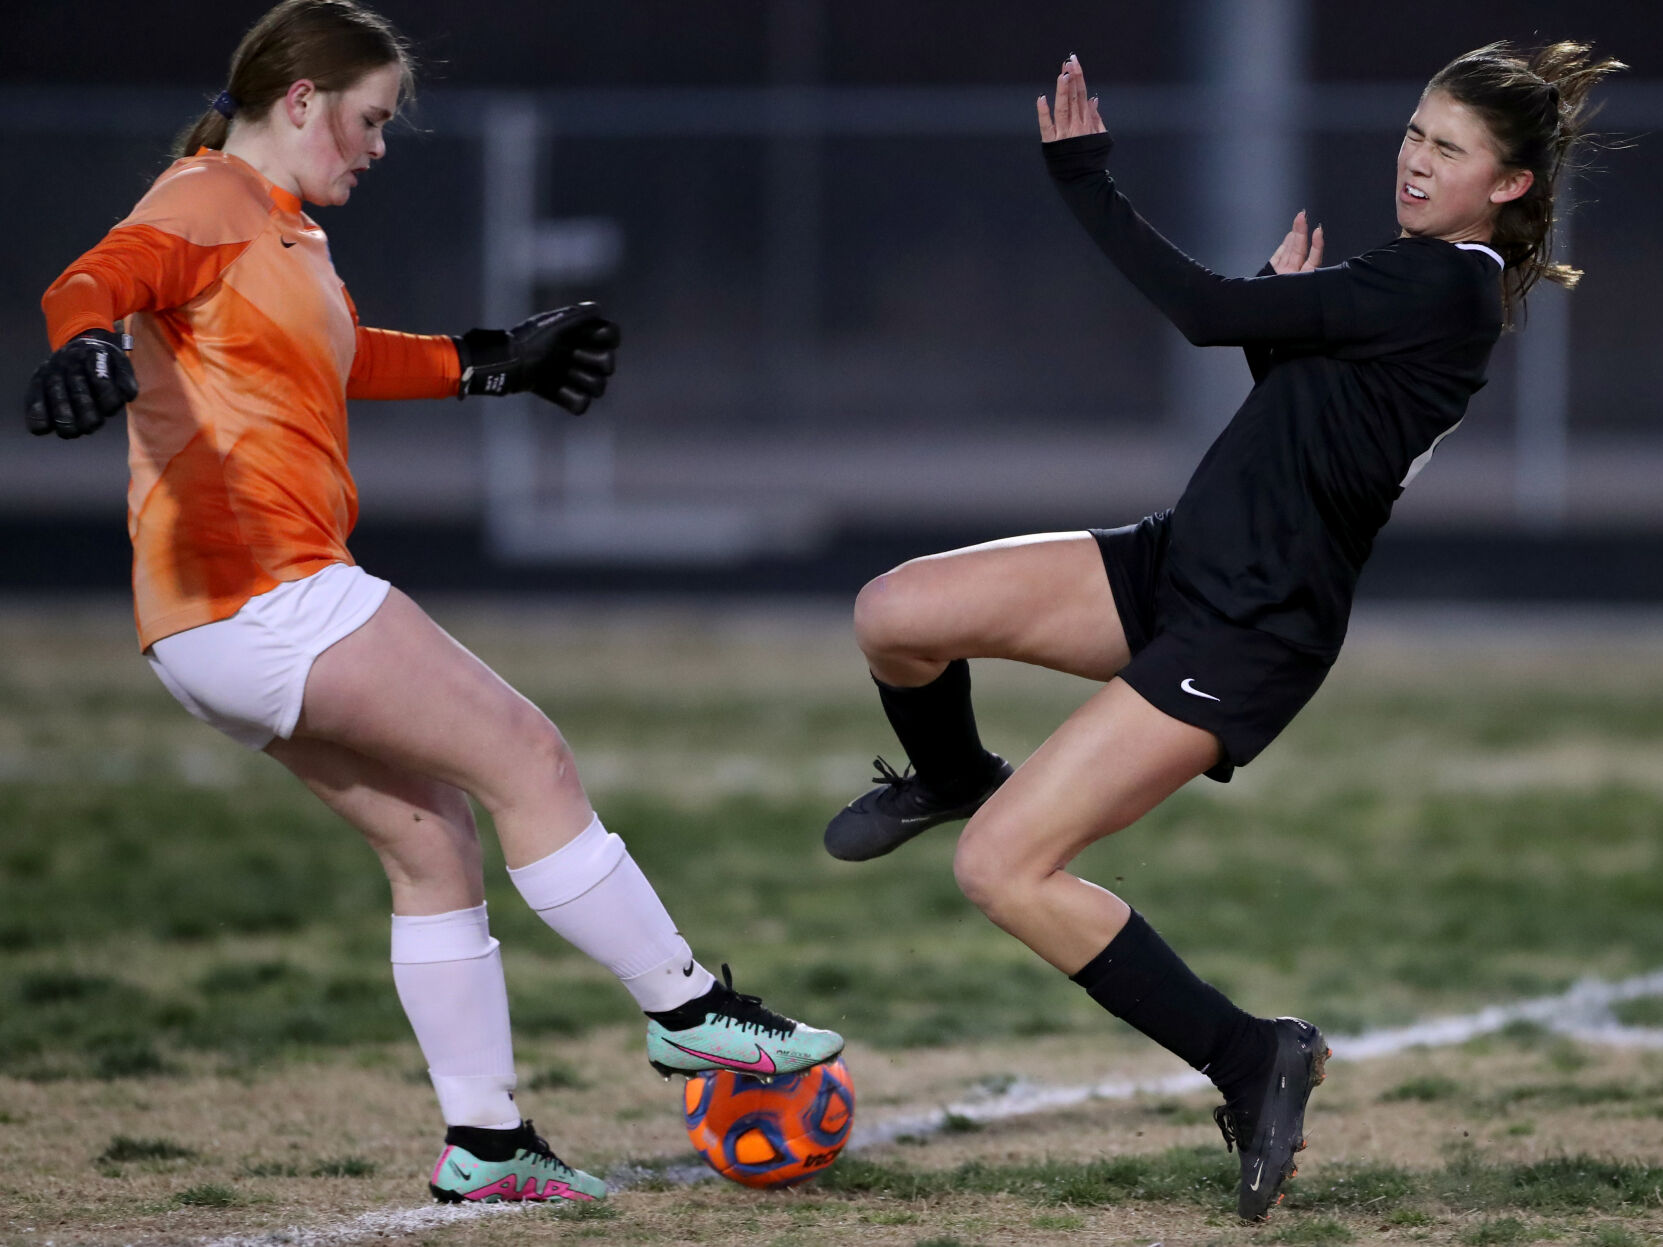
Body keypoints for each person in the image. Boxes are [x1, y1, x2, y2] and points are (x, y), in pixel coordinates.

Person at [26, 0, 842, 1207]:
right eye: (368, 118)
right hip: (265, 588)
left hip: (204, 622)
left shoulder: (279, 225)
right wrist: (80, 342)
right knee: (528, 754)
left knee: (432, 840)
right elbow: (91, 280)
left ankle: (490, 1144)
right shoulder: (206, 199)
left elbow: (346, 353)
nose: (378, 143)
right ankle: (688, 1007)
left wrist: (489, 357)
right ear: (300, 100)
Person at [822, 42, 1623, 1221]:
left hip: (1251, 626)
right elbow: (1302, 405)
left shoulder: (1447, 281)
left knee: (1002, 867)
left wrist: (1085, 181)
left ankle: (1251, 1057)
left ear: (1506, 186)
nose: (1412, 158)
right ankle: (951, 771)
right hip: (1179, 561)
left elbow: (1202, 315)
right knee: (894, 614)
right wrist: (1273, 324)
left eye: (1447, 148)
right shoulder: (1410, 275)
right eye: (1413, 131)